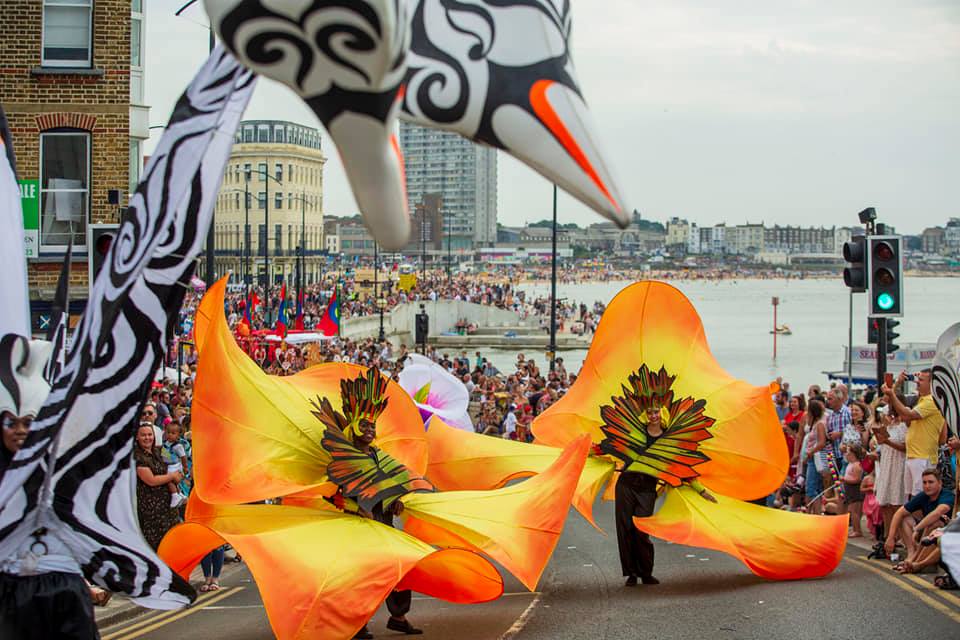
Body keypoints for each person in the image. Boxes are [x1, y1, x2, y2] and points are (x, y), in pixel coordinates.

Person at [614, 403, 716, 587]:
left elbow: (681, 468)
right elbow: (614, 445)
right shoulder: (636, 431)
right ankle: (631, 574)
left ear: (662, 413)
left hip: (646, 489)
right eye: (650, 412)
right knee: (626, 529)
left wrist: (701, 490)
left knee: (641, 530)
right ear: (645, 414)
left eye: (656, 411)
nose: (653, 415)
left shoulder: (668, 439)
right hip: (626, 485)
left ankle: (645, 572)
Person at [345, 413, 422, 638]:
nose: (370, 429)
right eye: (364, 425)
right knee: (362, 578)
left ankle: (398, 617)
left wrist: (395, 502)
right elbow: (331, 493)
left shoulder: (379, 456)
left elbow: (387, 486)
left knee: (400, 566)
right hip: (357, 526)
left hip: (383, 522)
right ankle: (356, 625)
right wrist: (355, 508)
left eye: (372, 425)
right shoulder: (344, 457)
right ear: (353, 428)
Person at [883, 370, 946, 498]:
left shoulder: (932, 401)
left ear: (932, 383)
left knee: (920, 497)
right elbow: (891, 402)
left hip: (923, 457)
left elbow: (907, 414)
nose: (917, 381)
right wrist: (898, 383)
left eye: (921, 380)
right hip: (914, 455)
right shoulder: (921, 400)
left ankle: (922, 519)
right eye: (918, 378)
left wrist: (892, 393)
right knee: (911, 499)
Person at [885, 469, 954, 569]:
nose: (927, 486)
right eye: (924, 482)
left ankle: (918, 562)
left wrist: (917, 529)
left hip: (943, 533)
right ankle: (911, 554)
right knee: (904, 518)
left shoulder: (947, 495)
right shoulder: (923, 495)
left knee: (935, 523)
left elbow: (937, 513)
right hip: (926, 532)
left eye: (931, 482)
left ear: (940, 483)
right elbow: (899, 513)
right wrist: (890, 538)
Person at [134, 423, 183, 550]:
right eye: (143, 435)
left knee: (173, 543)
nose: (147, 438)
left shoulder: (160, 449)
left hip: (169, 507)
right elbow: (151, 480)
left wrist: (179, 472)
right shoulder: (138, 457)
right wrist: (172, 476)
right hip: (153, 511)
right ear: (137, 437)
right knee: (158, 546)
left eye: (149, 435)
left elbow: (174, 460)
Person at [872, 405, 908, 548]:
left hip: (898, 464)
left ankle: (898, 537)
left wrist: (887, 441)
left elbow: (905, 447)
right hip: (886, 463)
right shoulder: (888, 427)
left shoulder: (904, 426)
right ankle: (887, 536)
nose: (884, 417)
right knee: (884, 503)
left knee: (896, 503)